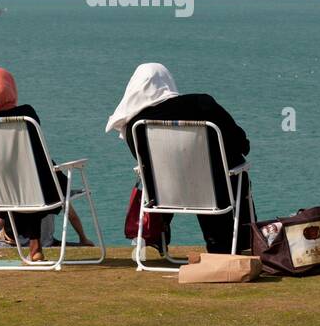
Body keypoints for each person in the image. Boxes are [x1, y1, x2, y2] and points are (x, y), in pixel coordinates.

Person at [107, 62, 252, 254]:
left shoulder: (135, 124)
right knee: (223, 171)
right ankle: (232, 244)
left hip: (165, 195)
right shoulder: (201, 105)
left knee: (190, 173)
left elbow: (146, 163)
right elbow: (241, 143)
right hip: (212, 193)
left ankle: (162, 231)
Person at [0, 67, 91, 262]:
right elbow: (38, 154)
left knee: (16, 180)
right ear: (10, 89)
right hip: (38, 189)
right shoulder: (26, 115)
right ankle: (35, 244)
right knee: (33, 179)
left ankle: (17, 237)